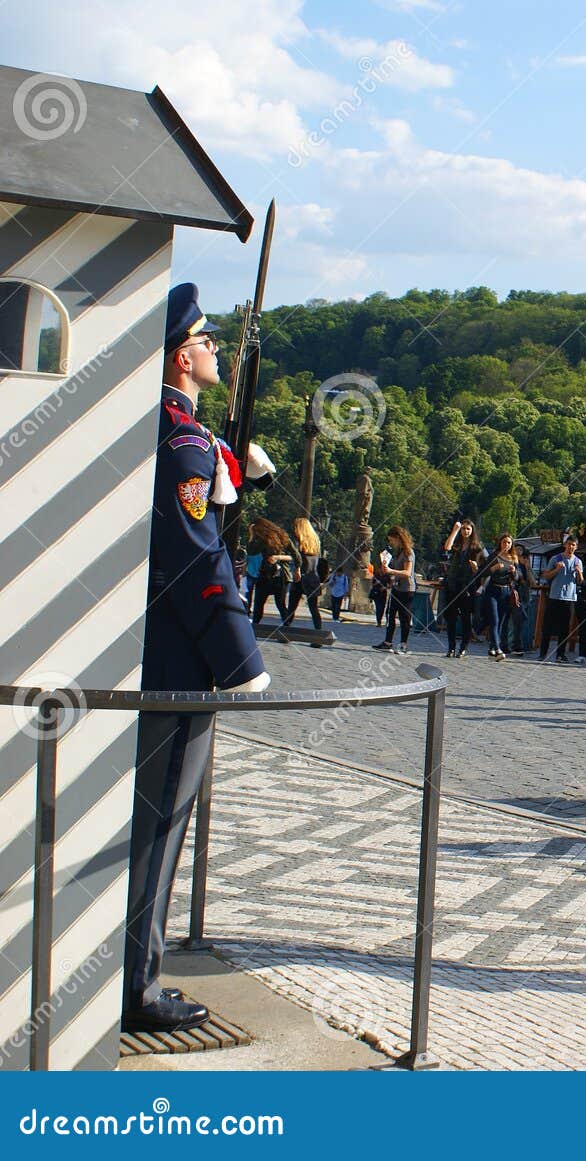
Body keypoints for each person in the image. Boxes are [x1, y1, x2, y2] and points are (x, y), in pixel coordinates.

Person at [126, 282, 271, 1033]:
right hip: (177, 660)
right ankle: (138, 985)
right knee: (159, 824)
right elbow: (196, 558)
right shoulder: (180, 439)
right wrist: (241, 657)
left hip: (155, 651)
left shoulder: (179, 431)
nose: (216, 350)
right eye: (208, 341)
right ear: (183, 356)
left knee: (156, 820)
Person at [439, 519, 485, 658]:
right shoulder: (457, 544)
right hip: (453, 583)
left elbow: (484, 567)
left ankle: (463, 647)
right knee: (451, 617)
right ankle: (451, 647)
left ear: (472, 531)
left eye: (468, 529)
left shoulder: (477, 547)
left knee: (466, 618)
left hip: (467, 585)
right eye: (463, 529)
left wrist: (476, 568)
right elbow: (447, 547)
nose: (465, 531)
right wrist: (455, 530)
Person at [246, 518, 298, 627]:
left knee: (279, 604)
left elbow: (296, 557)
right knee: (260, 604)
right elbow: (251, 552)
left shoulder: (283, 537)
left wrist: (277, 557)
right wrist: (251, 537)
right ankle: (255, 626)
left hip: (279, 575)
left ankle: (286, 627)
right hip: (265, 574)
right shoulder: (261, 540)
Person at [540, 535, 583, 662]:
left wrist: (579, 572)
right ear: (565, 545)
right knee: (547, 626)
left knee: (564, 628)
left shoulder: (578, 562)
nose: (570, 547)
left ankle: (560, 654)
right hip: (554, 596)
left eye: (573, 545)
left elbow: (580, 582)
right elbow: (546, 576)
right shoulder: (556, 558)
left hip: (569, 598)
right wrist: (557, 569)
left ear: (576, 547)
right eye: (569, 544)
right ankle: (543, 653)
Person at [373, 526, 415, 653]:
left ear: (398, 538)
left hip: (407, 589)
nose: (390, 543)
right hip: (397, 587)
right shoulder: (396, 553)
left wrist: (392, 571)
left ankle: (403, 644)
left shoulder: (408, 552)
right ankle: (388, 642)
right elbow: (393, 570)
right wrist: (385, 568)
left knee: (404, 617)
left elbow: (407, 573)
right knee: (390, 614)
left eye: (391, 540)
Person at [478, 533, 519, 661]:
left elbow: (519, 578)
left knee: (501, 622)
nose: (506, 545)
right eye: (504, 542)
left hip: (506, 592)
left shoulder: (513, 558)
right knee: (494, 620)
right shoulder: (494, 556)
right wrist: (494, 568)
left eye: (508, 543)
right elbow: (482, 572)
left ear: (511, 545)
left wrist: (514, 572)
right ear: (500, 543)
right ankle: (498, 648)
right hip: (493, 591)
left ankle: (491, 648)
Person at [284, 517, 324, 631]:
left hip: (300, 577)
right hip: (312, 577)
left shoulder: (298, 541)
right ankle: (318, 633)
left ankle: (285, 630)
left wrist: (296, 569)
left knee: (291, 607)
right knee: (313, 608)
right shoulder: (315, 542)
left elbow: (296, 558)